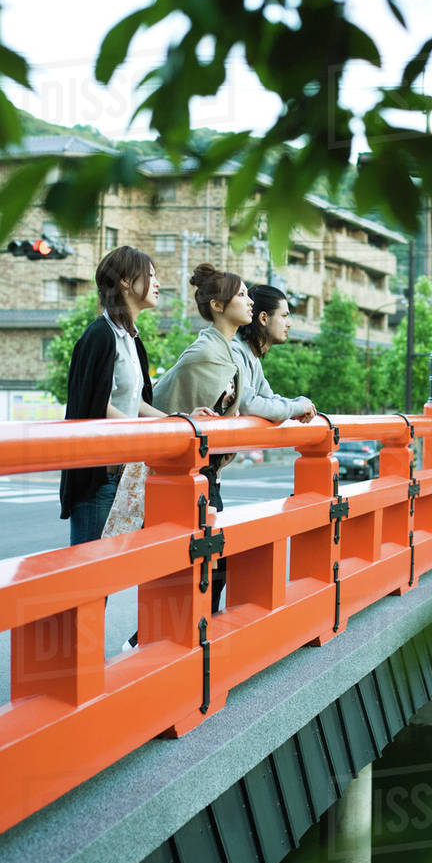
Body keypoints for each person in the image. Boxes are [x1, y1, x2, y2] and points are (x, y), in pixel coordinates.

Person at [59, 246, 212, 545]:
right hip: (99, 475)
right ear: (126, 282)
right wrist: (144, 429)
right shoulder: (99, 335)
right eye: (151, 275)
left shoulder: (131, 338)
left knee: (112, 569)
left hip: (126, 473)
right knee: (92, 573)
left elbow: (136, 403)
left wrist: (178, 420)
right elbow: (95, 405)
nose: (157, 284)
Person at [152, 263, 254, 611]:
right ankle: (150, 640)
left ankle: (188, 637)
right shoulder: (203, 353)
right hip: (187, 473)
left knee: (213, 562)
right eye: (241, 295)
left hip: (208, 471)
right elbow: (158, 398)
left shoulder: (229, 350)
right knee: (207, 563)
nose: (250, 301)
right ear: (218, 306)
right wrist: (180, 420)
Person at [231, 284, 317, 423]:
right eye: (284, 316)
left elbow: (268, 399)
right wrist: (297, 408)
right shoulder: (234, 351)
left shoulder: (252, 356)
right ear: (264, 318)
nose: (288, 324)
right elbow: (248, 405)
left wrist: (300, 403)